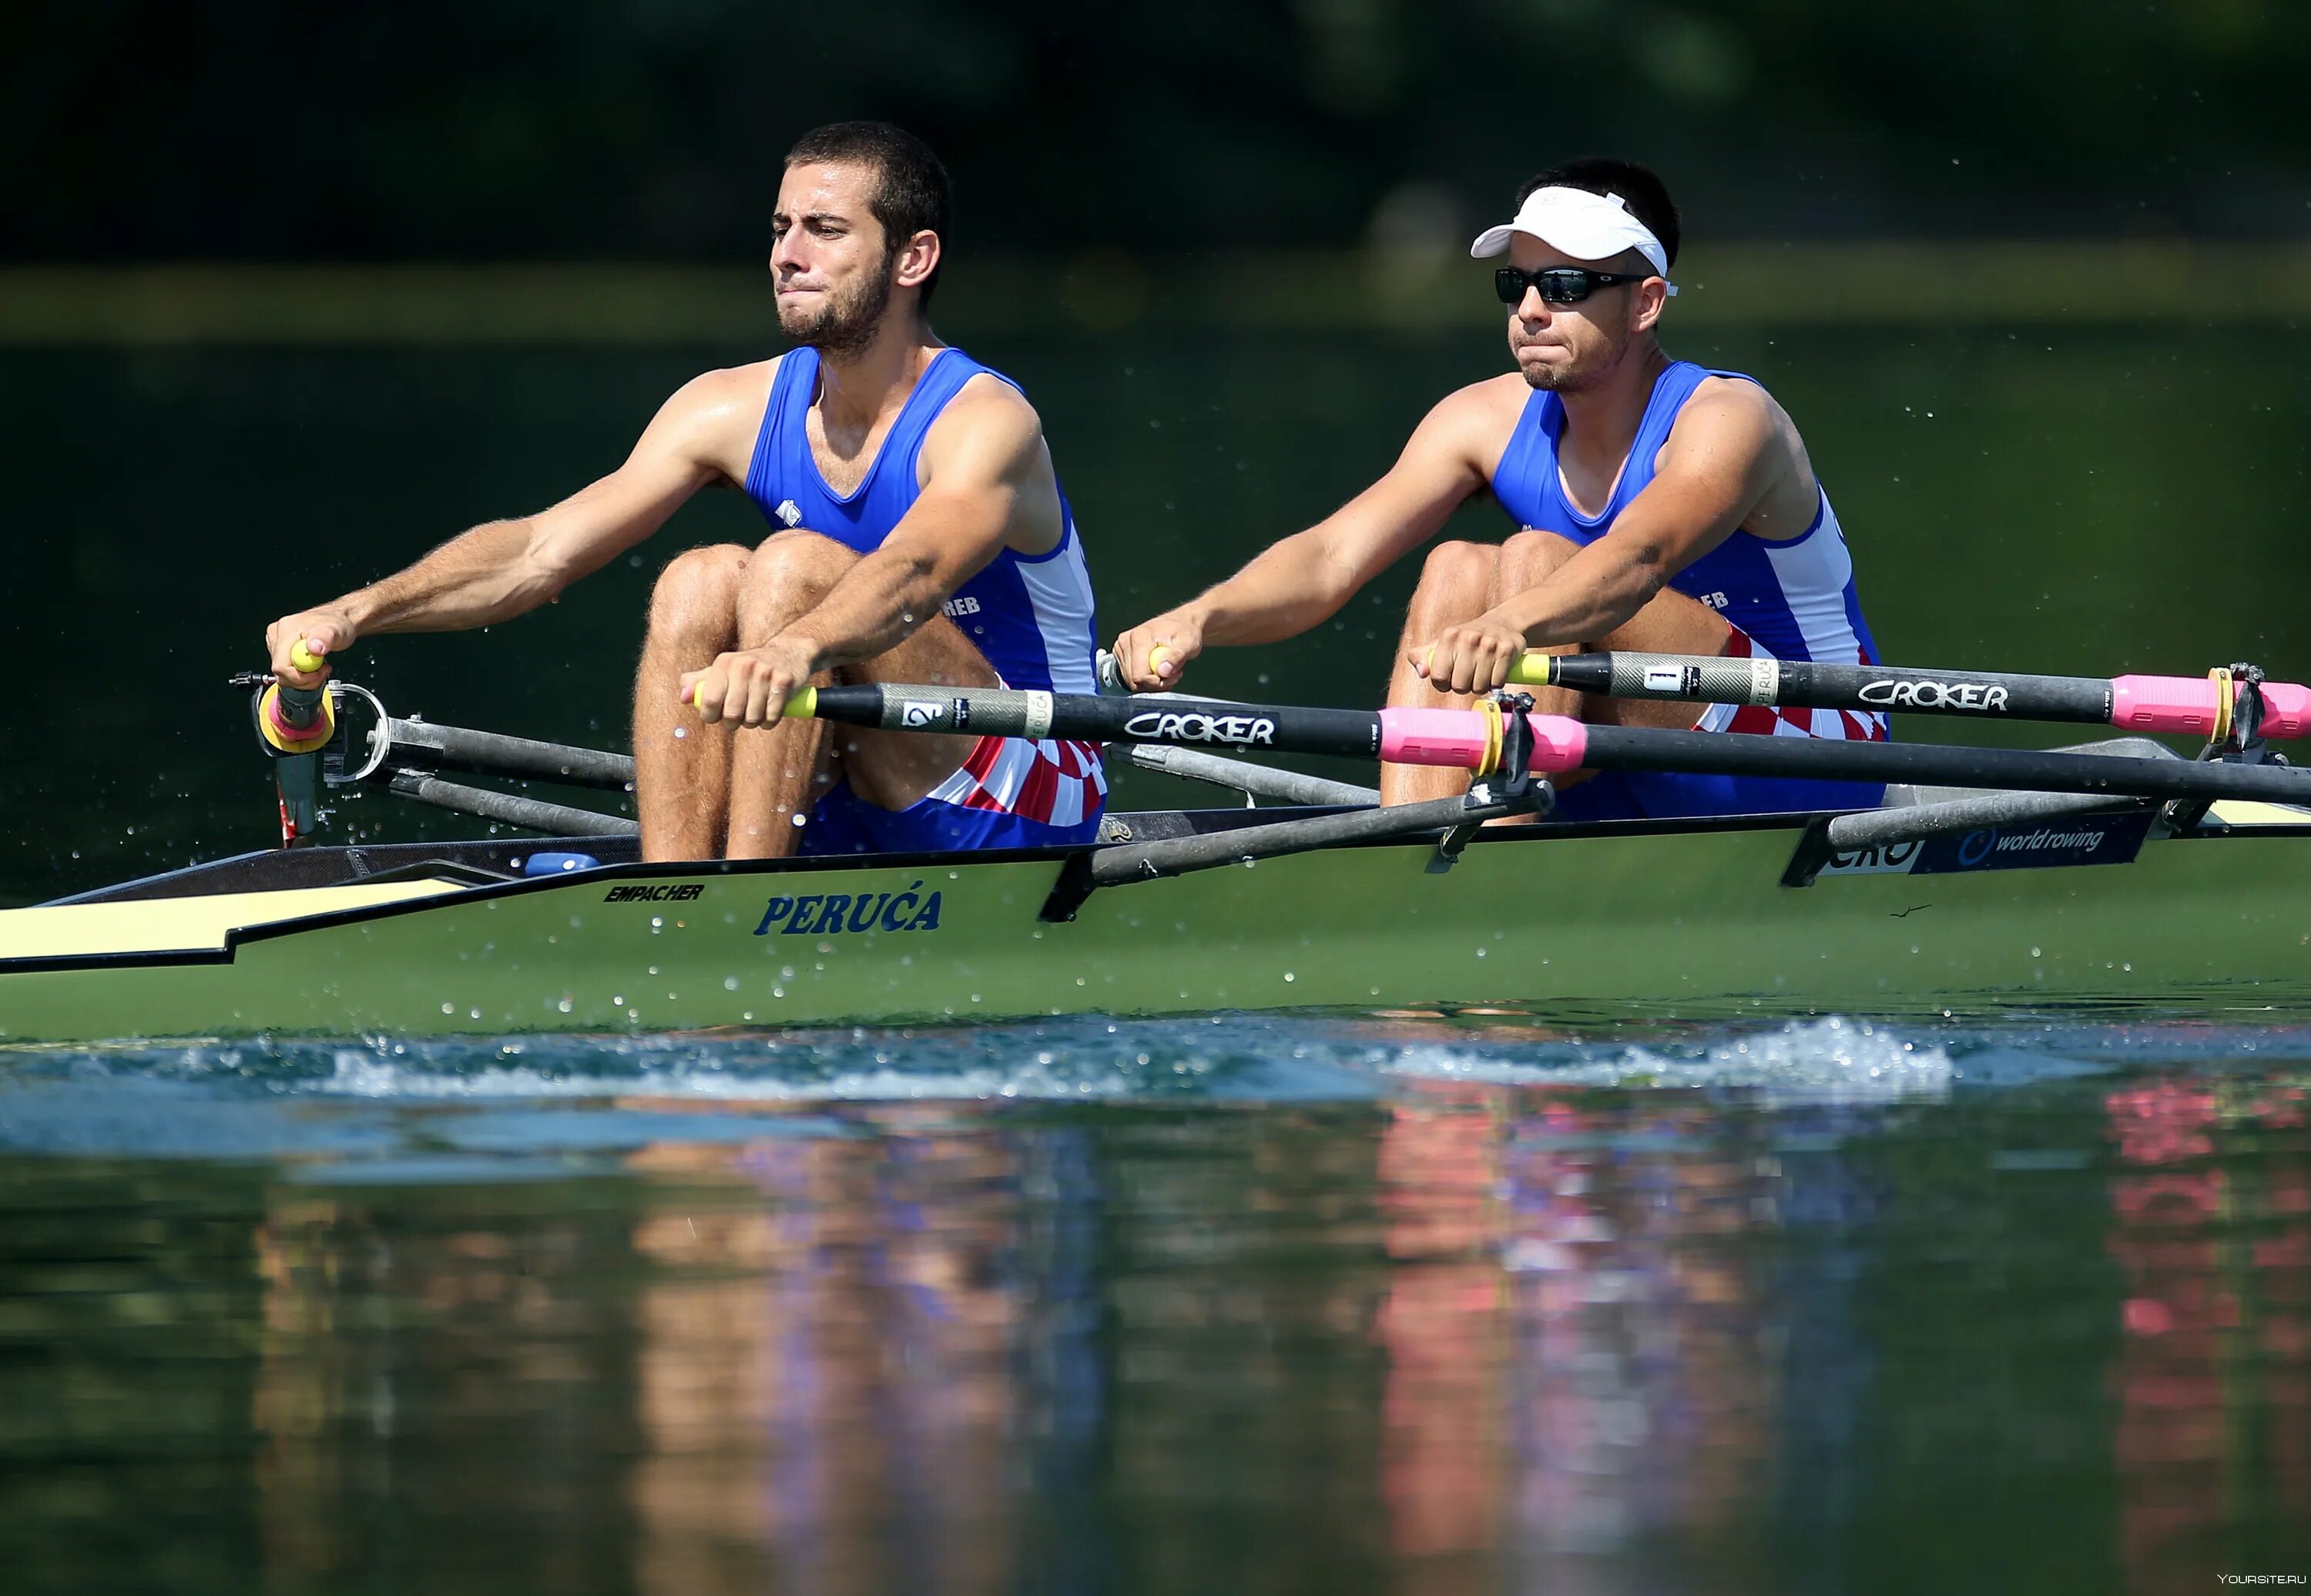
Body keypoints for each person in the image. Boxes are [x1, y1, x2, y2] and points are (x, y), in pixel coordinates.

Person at [264, 121, 1104, 861]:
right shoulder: (728, 406)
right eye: (780, 228)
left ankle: (739, 902)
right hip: (850, 765)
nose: (787, 254)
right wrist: (355, 612)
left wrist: (792, 646)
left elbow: (918, 570)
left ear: (912, 257)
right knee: (699, 577)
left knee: (790, 566)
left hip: (1032, 790)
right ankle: (681, 897)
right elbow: (536, 554)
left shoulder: (986, 419)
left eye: (824, 230)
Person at [1112, 157, 1885, 820]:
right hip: (1614, 749)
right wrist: (1200, 616)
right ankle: (1419, 847)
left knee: (1536, 559)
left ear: (1647, 302)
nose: (1530, 309)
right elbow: (1328, 557)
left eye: (1567, 284)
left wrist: (1512, 623)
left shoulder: (1727, 416)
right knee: (1458, 566)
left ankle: (1492, 852)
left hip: (1814, 751)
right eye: (1516, 282)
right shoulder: (1479, 418)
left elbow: (1641, 556)